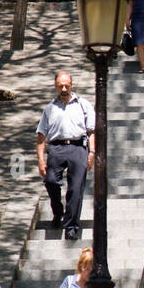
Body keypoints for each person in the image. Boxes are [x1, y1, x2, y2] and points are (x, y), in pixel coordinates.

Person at [36, 71, 95, 240]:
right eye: (60, 85)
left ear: (71, 85)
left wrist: (91, 152)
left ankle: (71, 226)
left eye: (66, 85)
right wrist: (41, 160)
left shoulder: (83, 104)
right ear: (55, 86)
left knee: (76, 188)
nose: (63, 88)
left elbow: (91, 131)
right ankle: (58, 211)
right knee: (51, 181)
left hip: (78, 148)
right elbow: (41, 137)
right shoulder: (50, 108)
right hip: (56, 148)